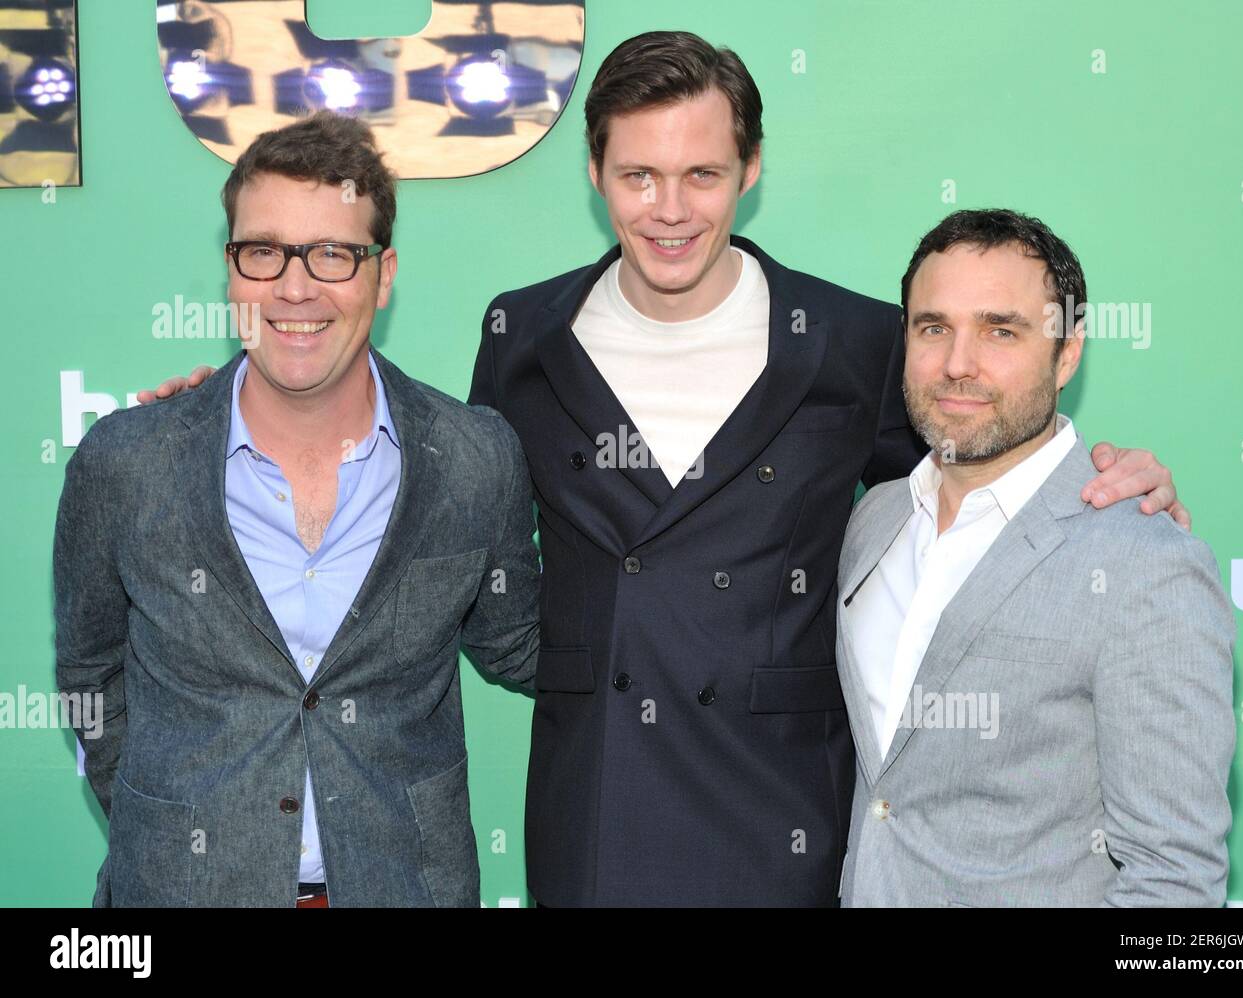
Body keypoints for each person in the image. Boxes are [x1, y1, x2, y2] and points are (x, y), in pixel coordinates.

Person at [139, 33, 1186, 907]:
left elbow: (976, 471)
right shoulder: (524, 333)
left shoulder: (857, 338)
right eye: (638, 174)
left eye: (702, 174)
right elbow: (430, 483)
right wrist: (240, 403)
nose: (670, 209)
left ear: (751, 169)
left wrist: (1103, 479)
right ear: (594, 174)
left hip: (791, 821)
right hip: (598, 808)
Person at [54, 111, 540, 907]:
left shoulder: (476, 455)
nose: (294, 285)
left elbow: (519, 644)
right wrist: (172, 828)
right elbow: (88, 676)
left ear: (383, 275)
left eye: (333, 254)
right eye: (264, 251)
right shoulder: (127, 462)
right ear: (230, 270)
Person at [836, 209, 1235, 906]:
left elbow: (1174, 883)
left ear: (1068, 352)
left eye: (1001, 330)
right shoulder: (875, 519)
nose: (959, 364)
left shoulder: (1144, 564)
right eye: (933, 328)